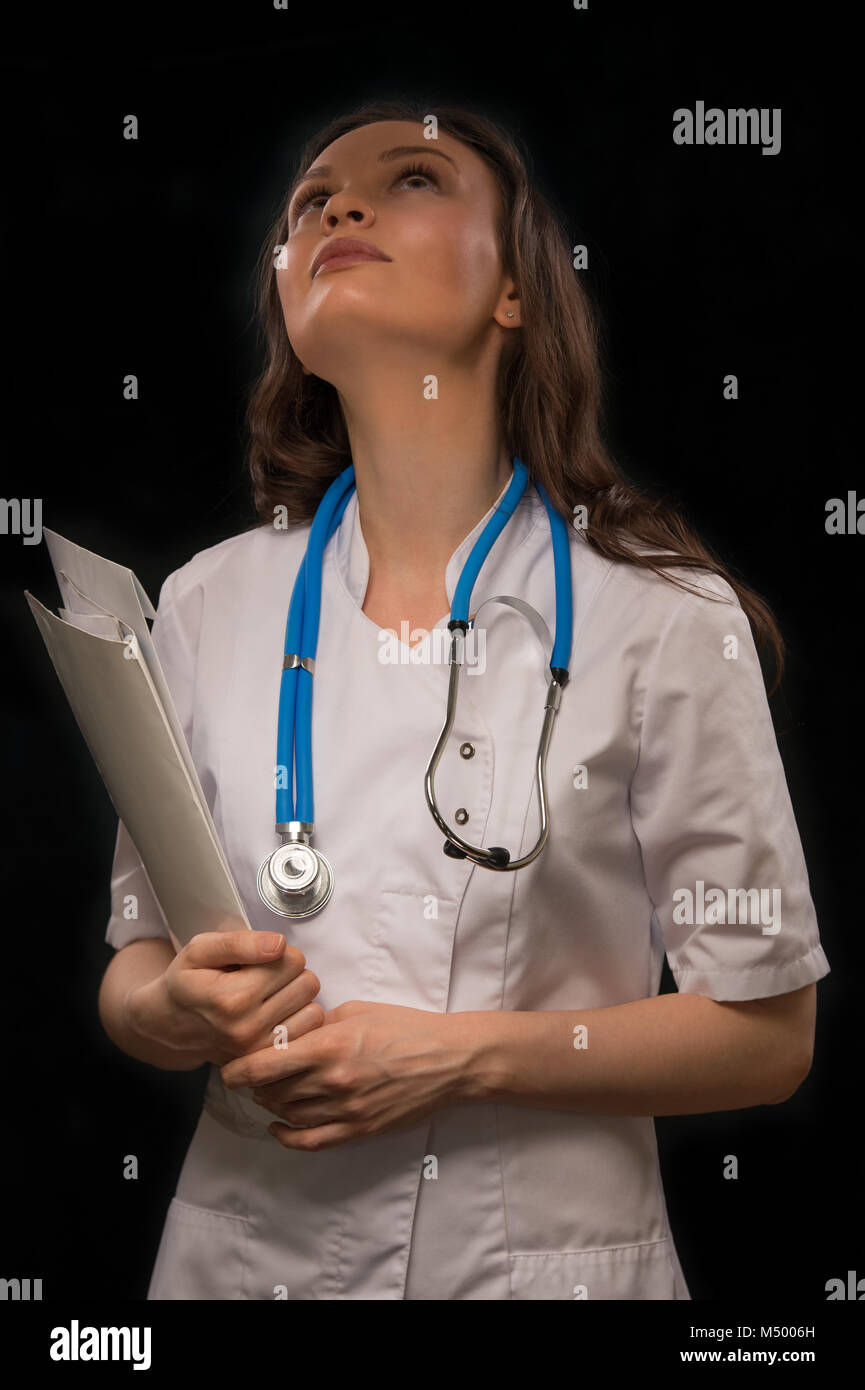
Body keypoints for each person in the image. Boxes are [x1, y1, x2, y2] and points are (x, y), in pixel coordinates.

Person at [97, 99, 830, 1301]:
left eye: (414, 179)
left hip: (534, 1274)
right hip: (241, 1264)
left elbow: (768, 1037)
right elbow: (132, 972)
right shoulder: (201, 605)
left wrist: (452, 1059)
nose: (335, 205)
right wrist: (173, 1013)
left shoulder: (662, 618)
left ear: (516, 294)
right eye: (307, 200)